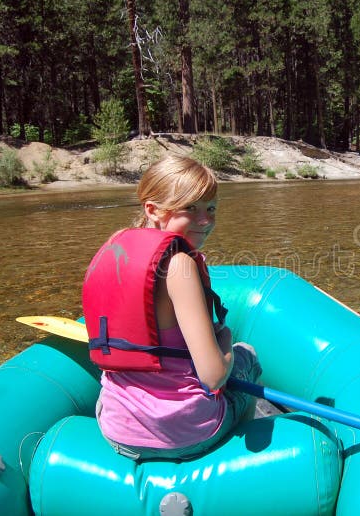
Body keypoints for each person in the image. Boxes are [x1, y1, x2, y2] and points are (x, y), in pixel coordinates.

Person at [83, 156, 261, 461]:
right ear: (152, 209)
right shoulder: (180, 265)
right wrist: (226, 343)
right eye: (190, 208)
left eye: (211, 209)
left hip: (116, 429)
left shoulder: (115, 247)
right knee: (248, 355)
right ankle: (232, 457)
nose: (205, 220)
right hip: (186, 433)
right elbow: (214, 376)